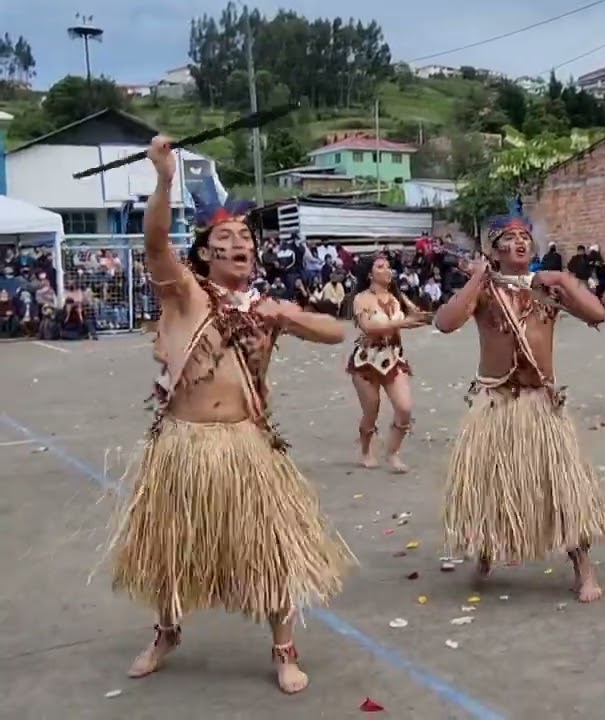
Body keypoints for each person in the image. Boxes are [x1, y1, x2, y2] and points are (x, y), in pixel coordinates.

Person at [107, 136, 354, 694]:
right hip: (185, 446)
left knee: (271, 550)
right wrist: (166, 180)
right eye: (226, 238)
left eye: (245, 237)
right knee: (171, 549)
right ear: (205, 253)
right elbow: (153, 242)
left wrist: (286, 318)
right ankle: (166, 632)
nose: (240, 243)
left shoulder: (268, 306)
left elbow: (336, 331)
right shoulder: (186, 295)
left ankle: (284, 649)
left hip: (247, 445)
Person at [433, 211, 605, 602]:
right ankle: (484, 550)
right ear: (494, 248)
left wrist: (566, 279)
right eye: (509, 237)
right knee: (488, 487)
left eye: (524, 237)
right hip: (496, 405)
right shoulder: (484, 289)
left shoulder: (548, 287)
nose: (519, 242)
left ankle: (583, 567)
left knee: (564, 491)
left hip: (540, 404)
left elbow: (597, 314)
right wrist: (477, 278)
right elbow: (445, 322)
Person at [348, 254, 432, 473]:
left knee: (404, 408)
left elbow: (416, 318)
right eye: (381, 267)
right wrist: (405, 322)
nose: (388, 270)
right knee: (371, 411)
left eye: (388, 267)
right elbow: (368, 328)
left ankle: (393, 453)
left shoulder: (397, 297)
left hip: (393, 359)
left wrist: (429, 317)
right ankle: (366, 451)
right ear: (370, 274)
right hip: (366, 362)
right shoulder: (361, 299)